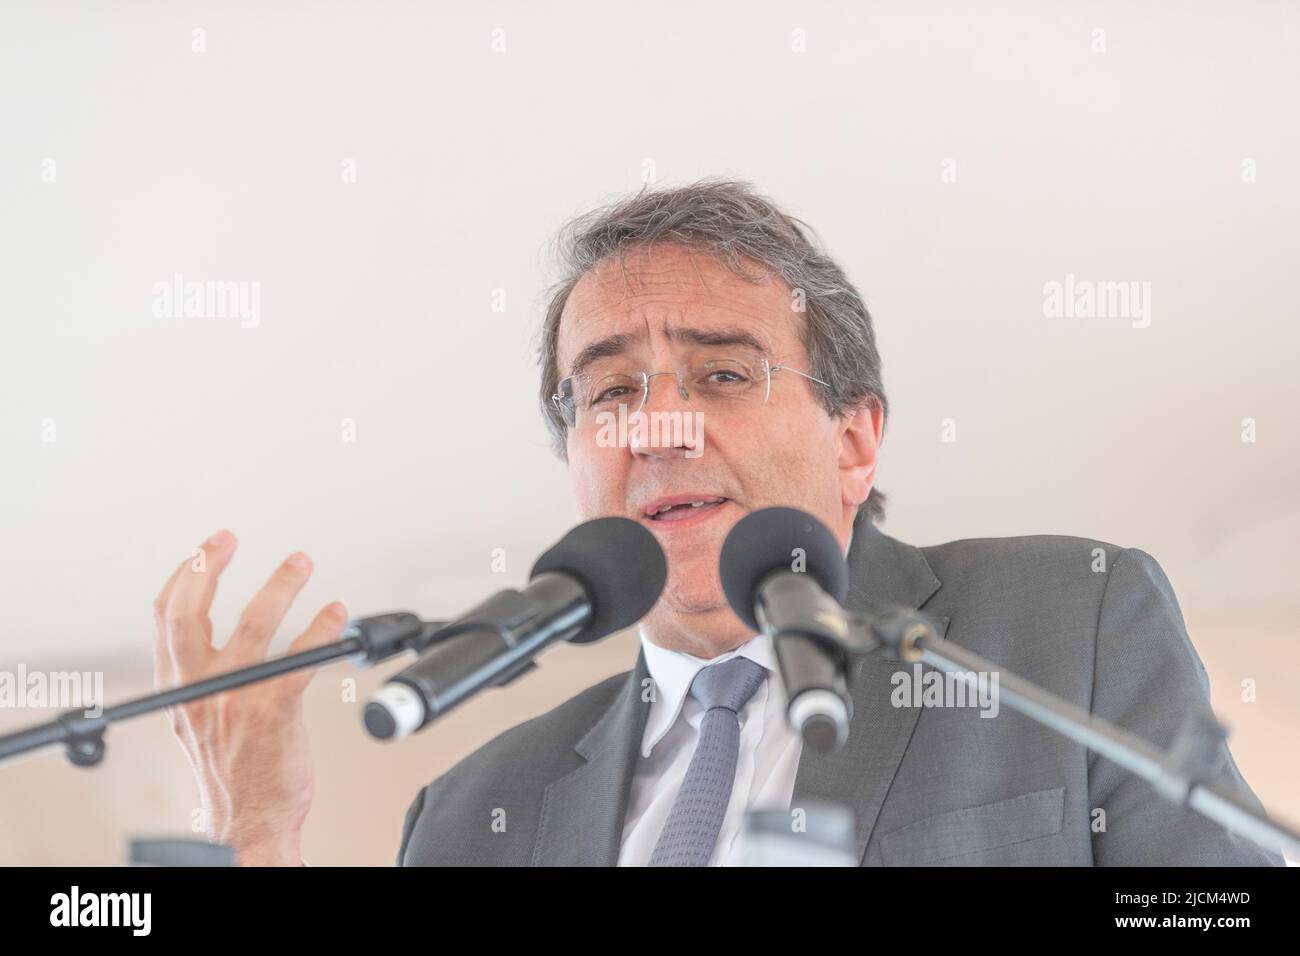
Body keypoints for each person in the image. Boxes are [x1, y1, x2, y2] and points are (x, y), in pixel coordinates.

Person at [151, 179, 1283, 866]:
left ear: (854, 437)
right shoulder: (473, 807)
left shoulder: (1063, 622)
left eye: (724, 375)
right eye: (609, 391)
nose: (659, 428)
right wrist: (252, 827)